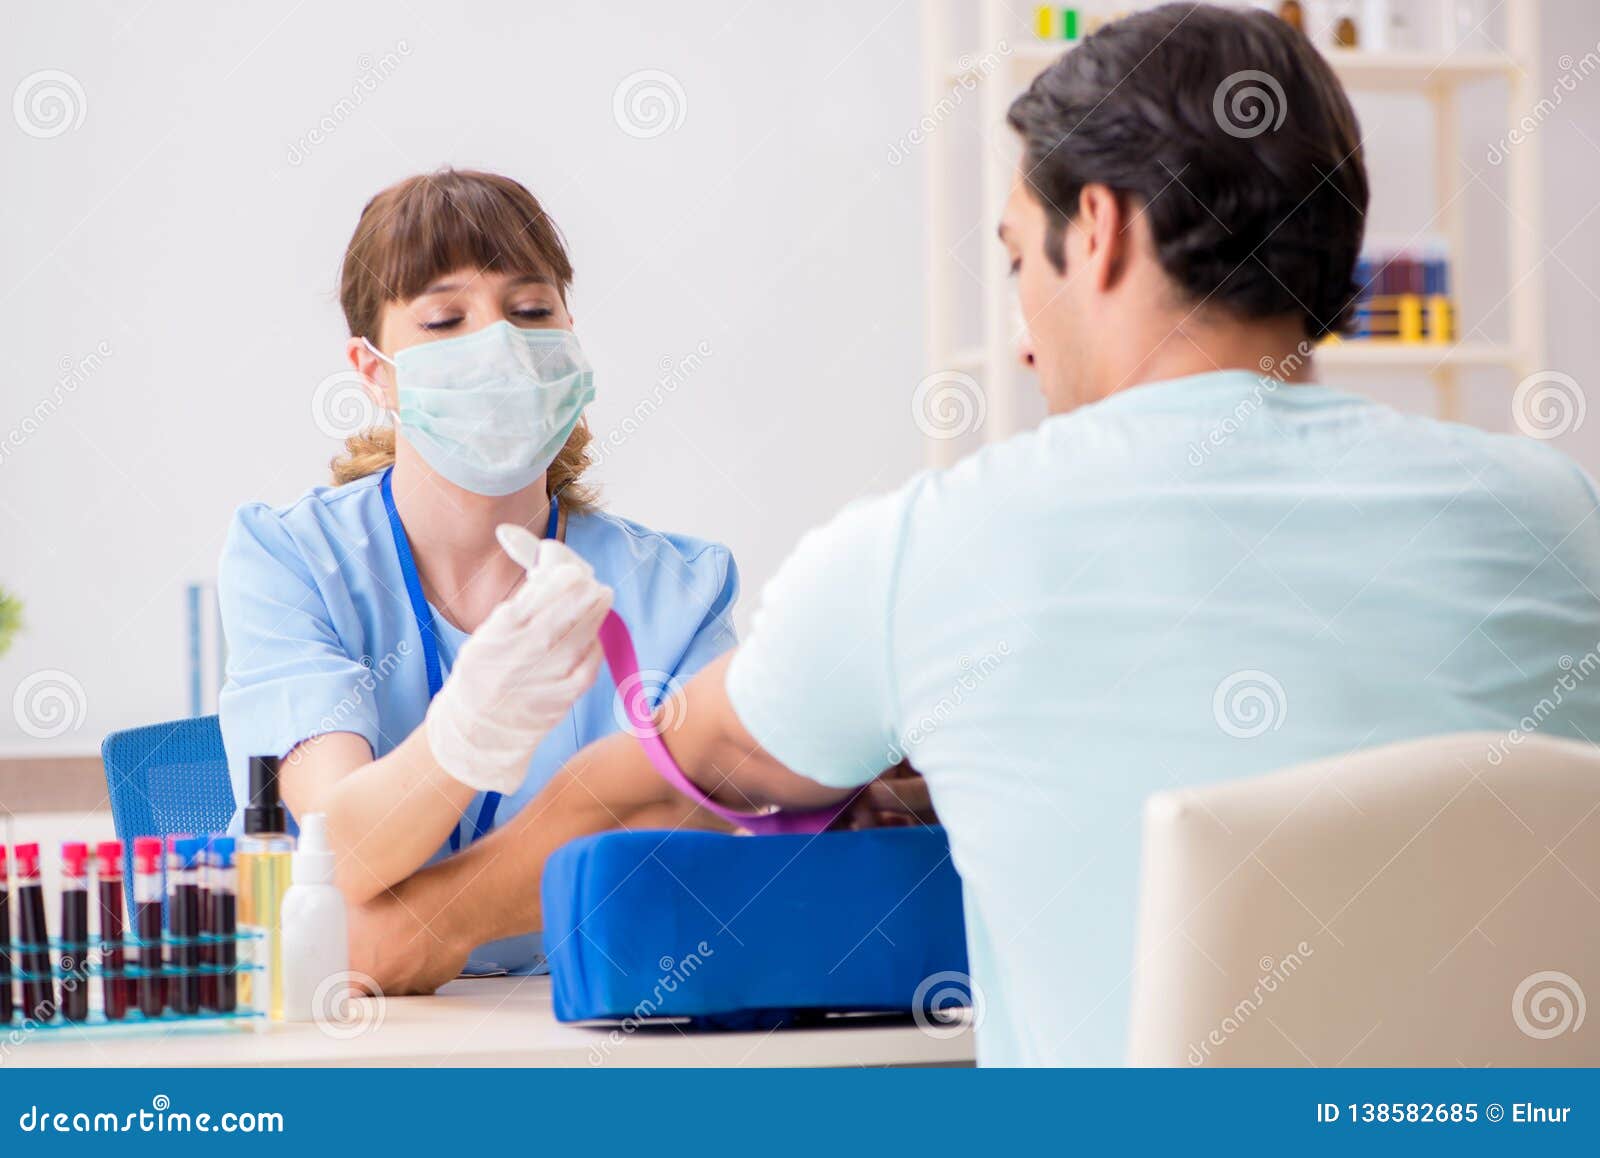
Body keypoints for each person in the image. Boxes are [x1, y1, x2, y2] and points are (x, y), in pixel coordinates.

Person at [346, 3, 1600, 1065]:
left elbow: (666, 772)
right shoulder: (1559, 517)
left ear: (1095, 232)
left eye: (1016, 260)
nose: (1018, 334)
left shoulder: (930, 551)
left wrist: (420, 929)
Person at [217, 168, 738, 978]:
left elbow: (689, 818)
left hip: (593, 1031)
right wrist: (468, 734)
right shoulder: (293, 561)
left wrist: (420, 931)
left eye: (531, 312)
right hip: (351, 1037)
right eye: (444, 319)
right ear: (373, 371)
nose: (499, 346)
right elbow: (338, 850)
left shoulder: (680, 589)